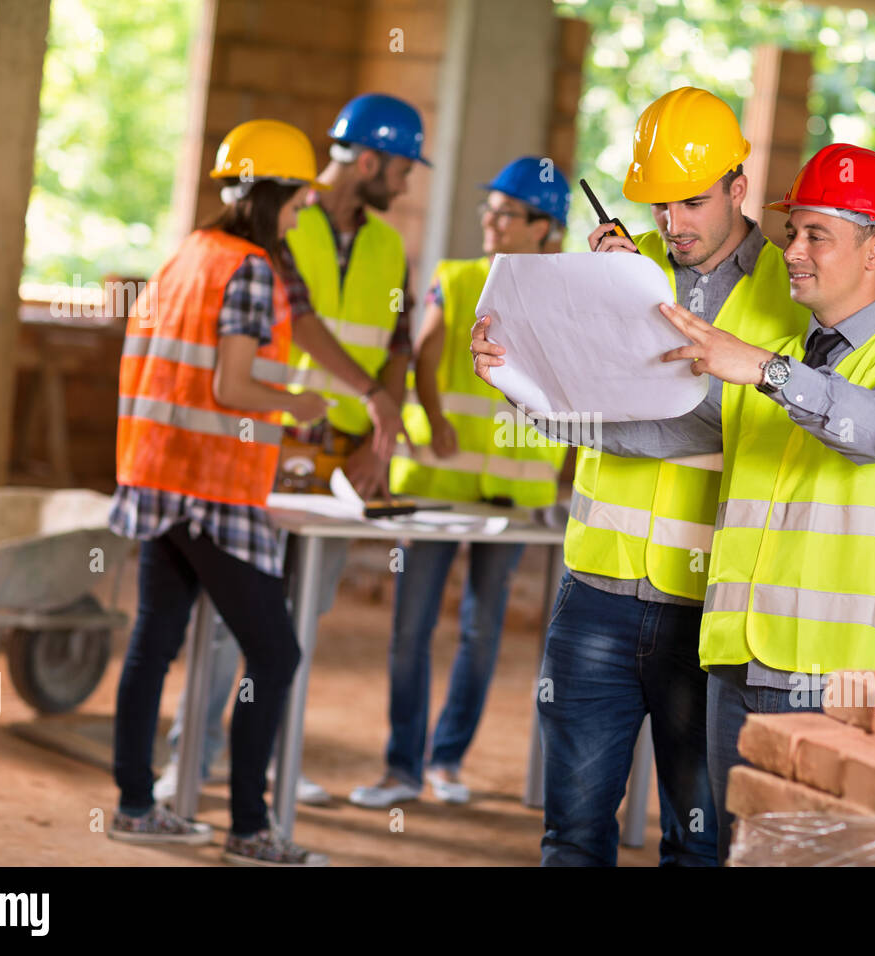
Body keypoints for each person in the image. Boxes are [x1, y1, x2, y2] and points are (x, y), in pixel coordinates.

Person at [482, 143, 875, 863]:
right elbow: (650, 423)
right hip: (736, 663)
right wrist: (521, 382)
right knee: (726, 856)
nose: (795, 251)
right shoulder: (770, 362)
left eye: (817, 235)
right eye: (794, 233)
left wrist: (763, 368)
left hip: (841, 680)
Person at [473, 88, 809, 866]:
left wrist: (609, 406)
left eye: (691, 201)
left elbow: (729, 423)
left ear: (737, 185)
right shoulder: (623, 276)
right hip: (596, 595)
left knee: (697, 845)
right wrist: (513, 372)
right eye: (659, 206)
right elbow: (562, 416)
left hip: (711, 608)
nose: (673, 224)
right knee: (572, 837)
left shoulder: (790, 295)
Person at [108, 119, 397, 866]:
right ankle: (250, 830)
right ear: (270, 196)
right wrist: (298, 407)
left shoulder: (189, 256)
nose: (302, 213)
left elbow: (198, 373)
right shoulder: (249, 269)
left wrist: (285, 408)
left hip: (159, 475)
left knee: (152, 645)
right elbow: (233, 382)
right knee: (274, 655)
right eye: (297, 202)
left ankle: (136, 809)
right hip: (209, 491)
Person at [153, 94, 424, 806]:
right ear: (368, 160)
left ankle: (274, 759)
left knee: (303, 614)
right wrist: (370, 393)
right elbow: (299, 323)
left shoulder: (389, 246)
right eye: (402, 168)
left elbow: (396, 345)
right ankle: (192, 759)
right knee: (230, 612)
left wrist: (380, 429)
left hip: (337, 458)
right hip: (263, 443)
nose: (406, 184)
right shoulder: (282, 226)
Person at [346, 158, 571, 808]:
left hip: (517, 492)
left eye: (505, 212)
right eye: (489, 208)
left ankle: (445, 763)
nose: (490, 220)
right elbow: (423, 355)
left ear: (543, 228)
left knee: (483, 631)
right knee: (412, 627)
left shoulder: (563, 291)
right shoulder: (459, 276)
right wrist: (436, 418)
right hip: (441, 482)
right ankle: (401, 769)